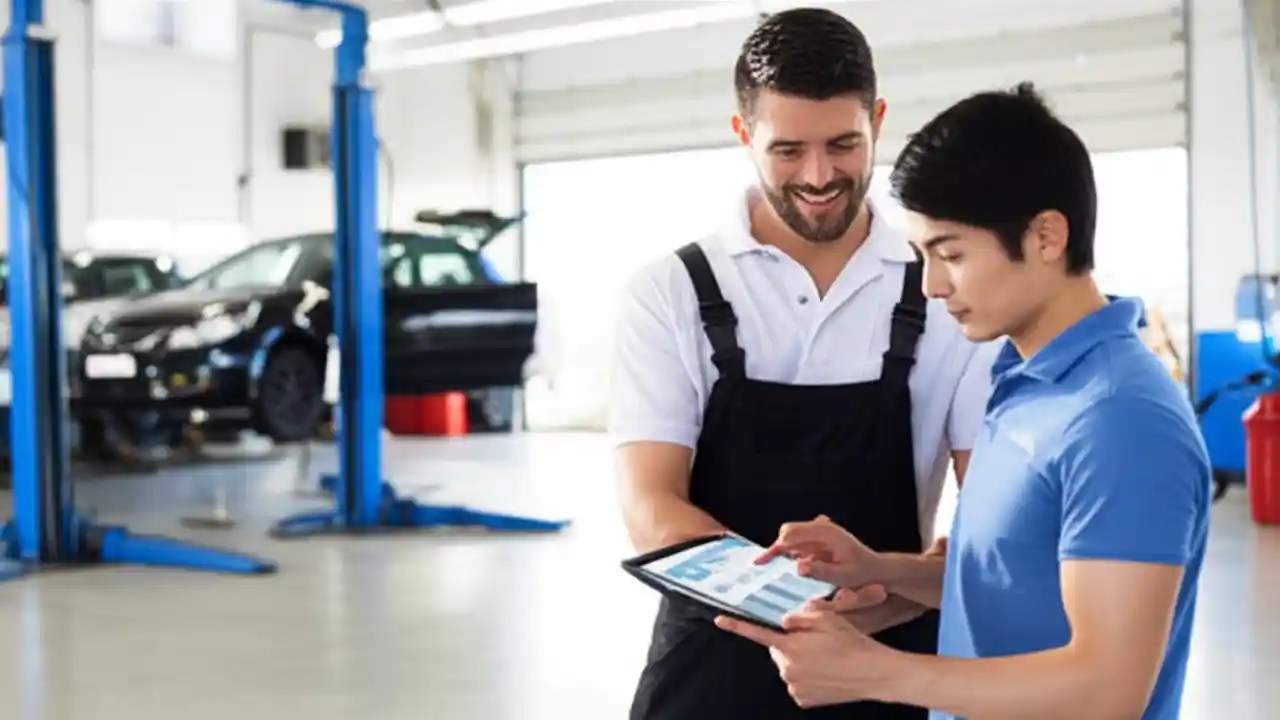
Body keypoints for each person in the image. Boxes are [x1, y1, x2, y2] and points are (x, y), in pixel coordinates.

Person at [715, 82, 1212, 720]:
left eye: (951, 253)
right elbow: (1016, 578)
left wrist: (879, 673)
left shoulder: (1120, 419)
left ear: (1046, 237)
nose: (932, 284)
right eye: (923, 255)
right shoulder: (1025, 380)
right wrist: (884, 569)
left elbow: (1107, 690)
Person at [610, 8, 996, 719]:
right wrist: (800, 607)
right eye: (787, 150)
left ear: (878, 120)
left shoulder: (945, 291)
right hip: (710, 664)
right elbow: (650, 506)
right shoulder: (671, 292)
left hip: (885, 660)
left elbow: (991, 512)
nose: (819, 176)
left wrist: (874, 600)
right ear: (742, 133)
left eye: (843, 144)